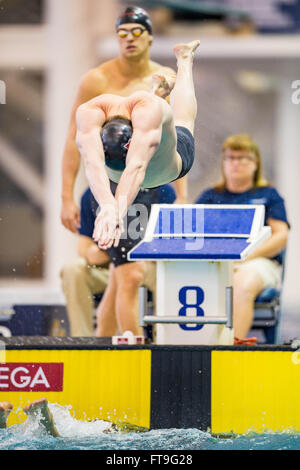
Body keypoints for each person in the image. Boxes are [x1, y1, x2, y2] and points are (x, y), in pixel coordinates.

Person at [61, 5, 187, 234]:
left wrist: (183, 195)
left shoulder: (163, 77)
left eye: (137, 32)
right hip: (107, 177)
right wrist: (66, 197)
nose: (129, 38)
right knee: (101, 250)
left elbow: (173, 138)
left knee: (144, 255)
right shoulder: (96, 80)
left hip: (150, 174)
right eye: (122, 33)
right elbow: (73, 139)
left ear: (150, 38)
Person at [76, 40, 200, 251]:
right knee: (147, 120)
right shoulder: (89, 112)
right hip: (144, 130)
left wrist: (117, 213)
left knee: (184, 122)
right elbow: (92, 164)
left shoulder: (148, 109)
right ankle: (157, 90)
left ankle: (185, 59)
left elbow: (136, 167)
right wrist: (106, 206)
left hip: (165, 166)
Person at [195, 134, 289, 341]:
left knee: (241, 283)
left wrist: (247, 256)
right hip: (216, 263)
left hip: (257, 262)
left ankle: (231, 346)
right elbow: (192, 235)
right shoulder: (210, 197)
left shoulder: (269, 195)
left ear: (255, 163)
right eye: (231, 158)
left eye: (243, 158)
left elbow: (281, 236)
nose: (236, 163)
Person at [61, 184, 176, 336]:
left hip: (147, 264)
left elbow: (171, 244)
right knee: (73, 269)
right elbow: (84, 247)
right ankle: (83, 340)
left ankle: (164, 338)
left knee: (133, 272)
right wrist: (103, 252)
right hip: (106, 265)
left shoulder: (161, 190)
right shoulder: (93, 193)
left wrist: (134, 254)